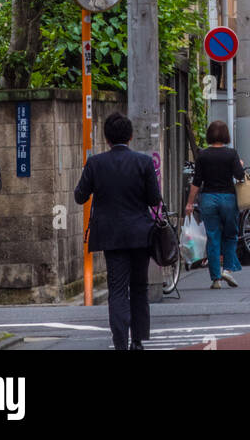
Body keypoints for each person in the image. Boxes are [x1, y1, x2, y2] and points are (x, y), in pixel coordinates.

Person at [73, 111, 161, 351]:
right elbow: (155, 200)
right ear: (131, 136)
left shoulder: (95, 163)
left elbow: (79, 196)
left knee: (118, 290)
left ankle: (120, 343)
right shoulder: (143, 163)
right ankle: (138, 340)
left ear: (107, 138)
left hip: (111, 236)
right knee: (139, 287)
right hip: (140, 235)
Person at [184, 120, 244, 289]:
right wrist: (240, 165)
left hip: (208, 198)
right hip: (228, 198)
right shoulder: (231, 154)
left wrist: (190, 203)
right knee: (231, 235)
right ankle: (228, 269)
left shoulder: (202, 155)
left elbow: (196, 181)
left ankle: (216, 278)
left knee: (212, 237)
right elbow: (240, 176)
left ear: (209, 135)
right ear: (226, 135)